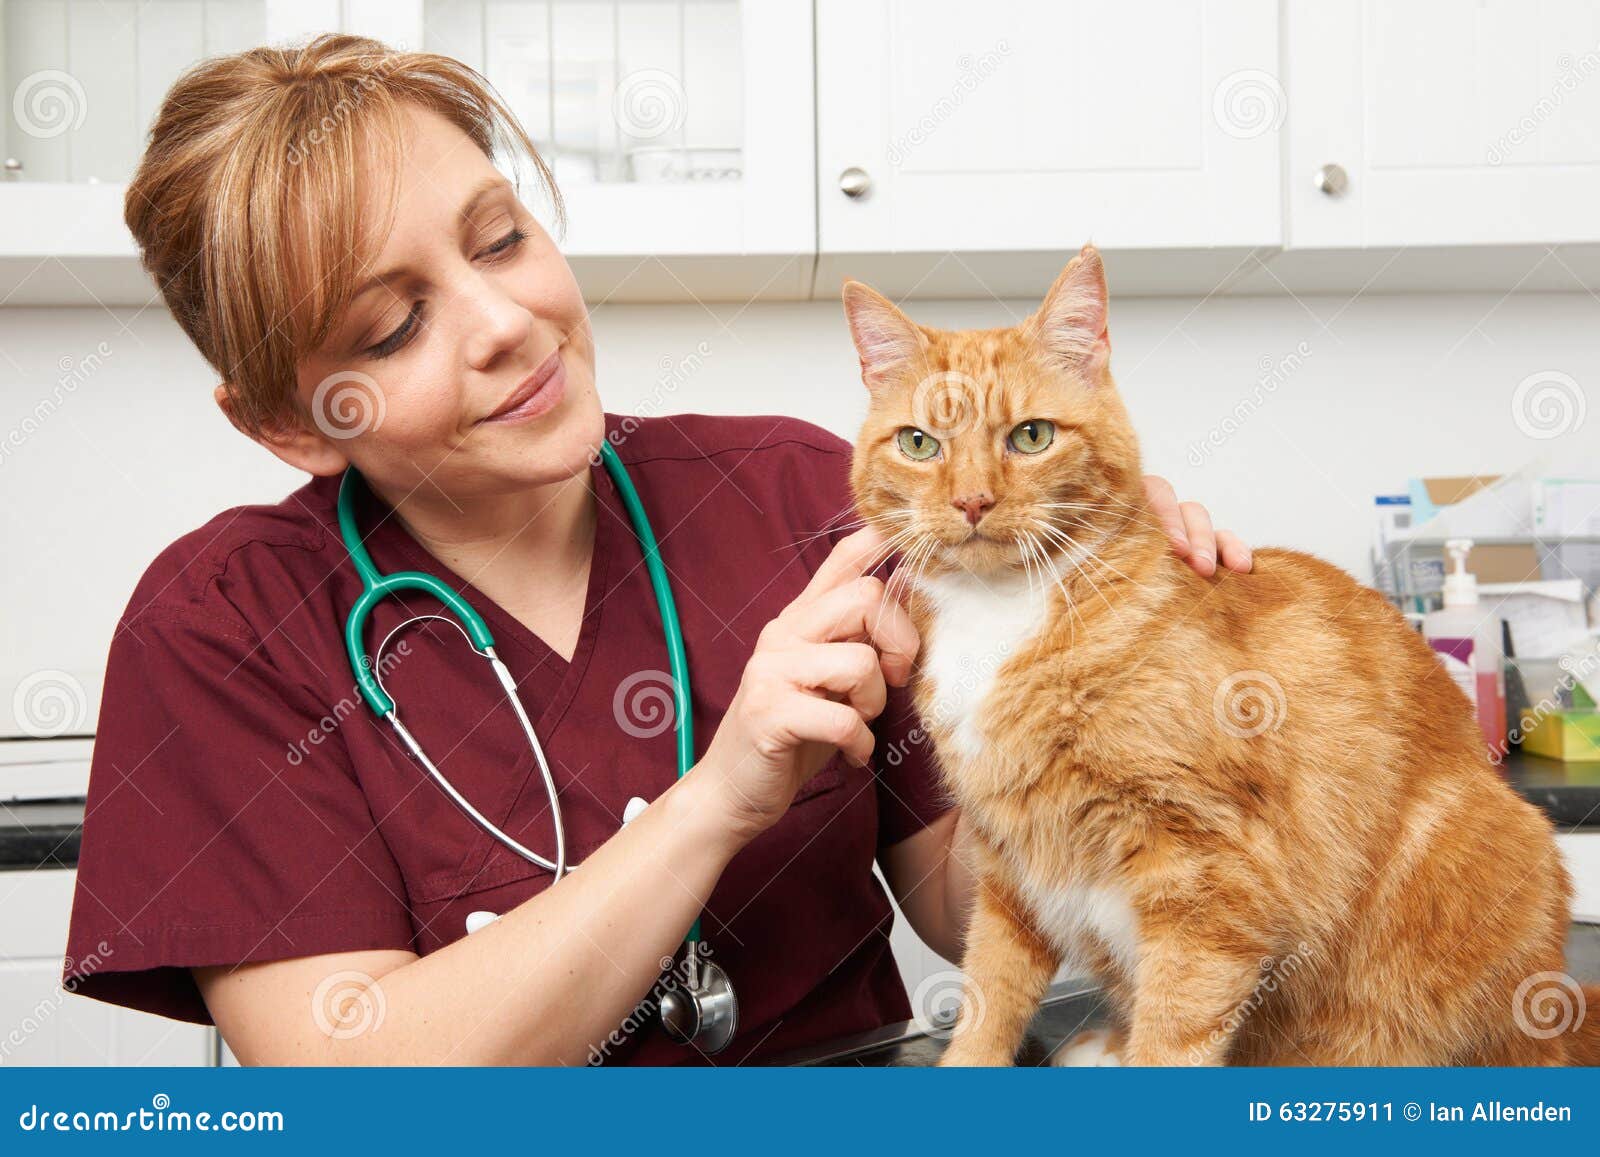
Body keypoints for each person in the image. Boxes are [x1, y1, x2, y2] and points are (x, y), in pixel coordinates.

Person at [62, 35, 1252, 1066]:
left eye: (499, 238)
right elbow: (355, 1077)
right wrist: (720, 798)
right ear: (285, 422)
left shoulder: (794, 498)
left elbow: (974, 902)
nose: (504, 323)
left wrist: (1105, 632)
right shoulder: (221, 626)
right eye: (393, 326)